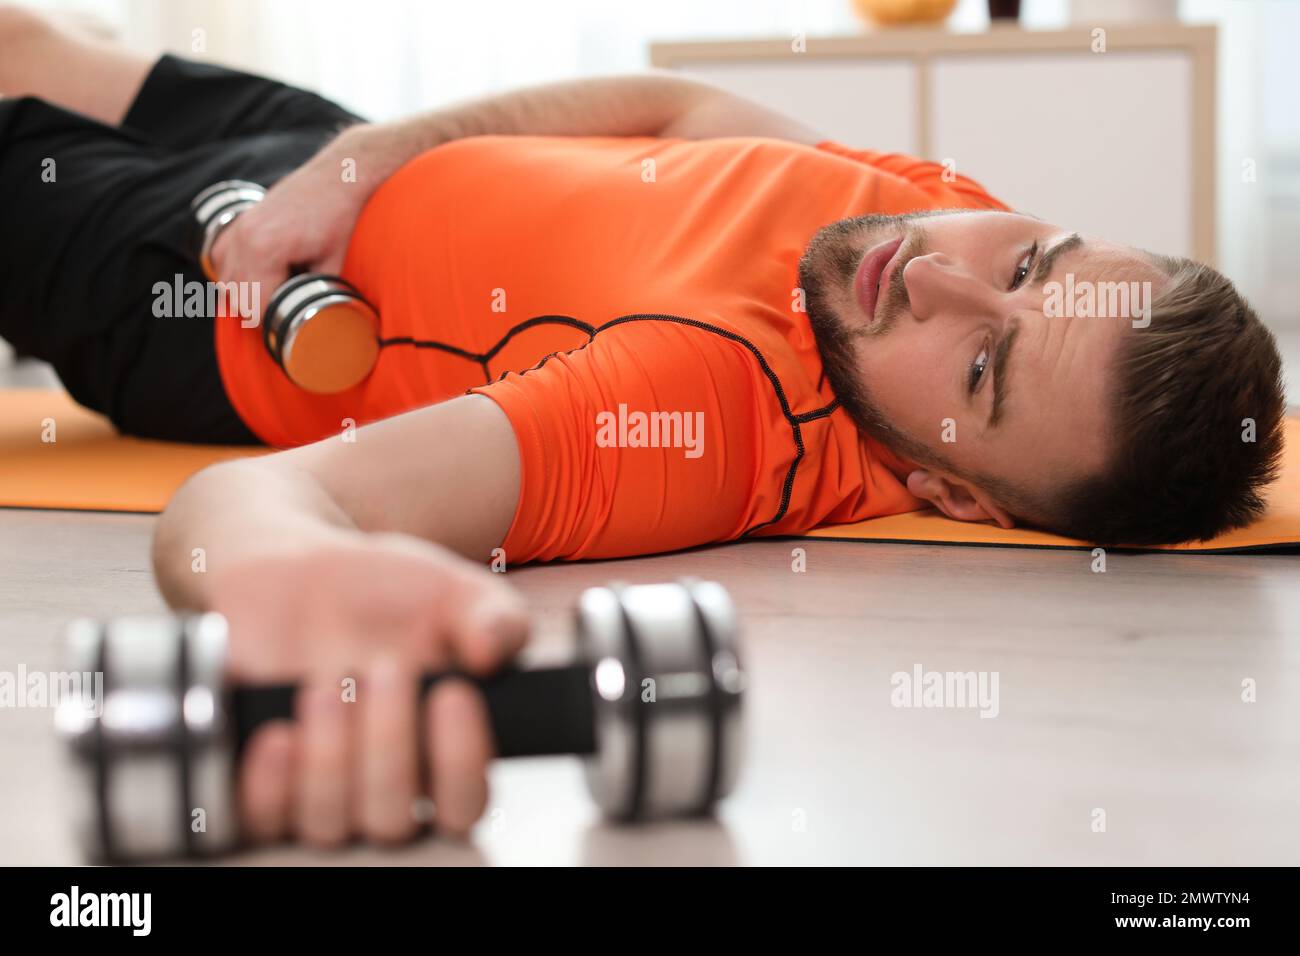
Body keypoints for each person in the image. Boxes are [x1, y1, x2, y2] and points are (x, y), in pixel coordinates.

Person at [0, 6, 1285, 851]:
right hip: (339, 160)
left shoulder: (705, 407)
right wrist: (363, 161)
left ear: (954, 493)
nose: (937, 275)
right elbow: (667, 113)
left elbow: (246, 509)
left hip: (222, 291)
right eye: (1034, 261)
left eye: (985, 360)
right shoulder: (928, 218)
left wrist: (300, 578)